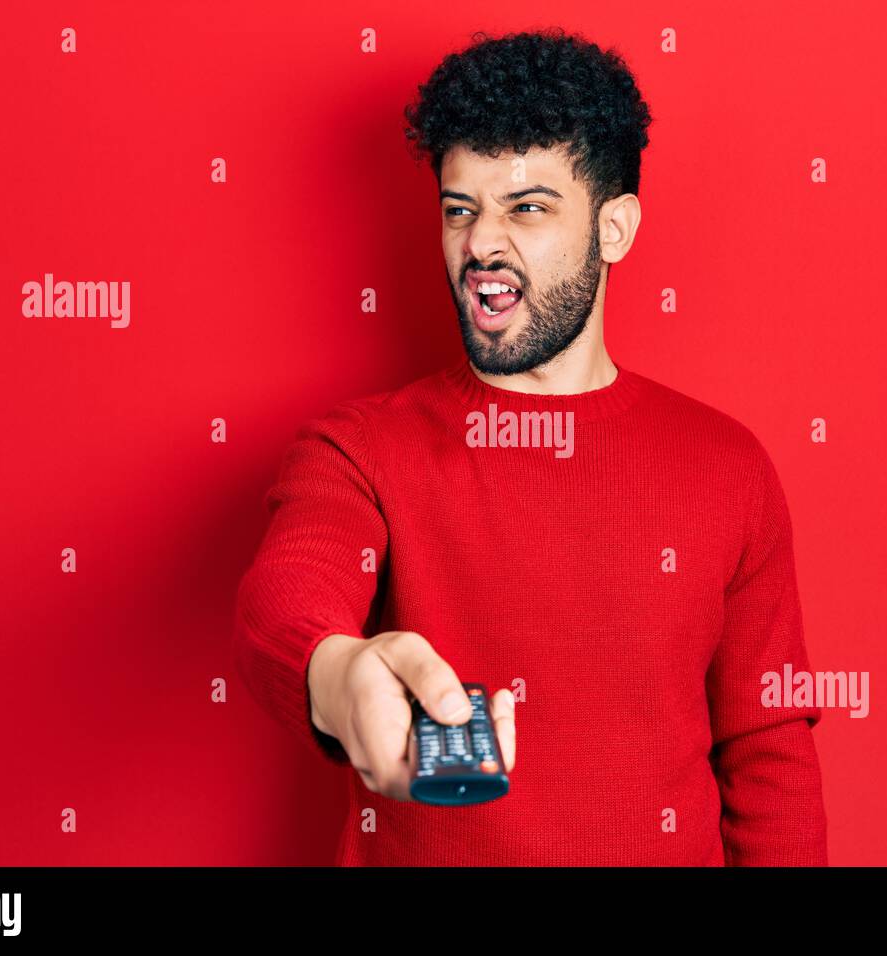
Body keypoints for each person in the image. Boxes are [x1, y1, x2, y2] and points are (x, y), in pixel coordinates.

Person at [234, 27, 828, 866]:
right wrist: (339, 676)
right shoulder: (359, 449)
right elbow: (285, 597)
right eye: (460, 210)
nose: (481, 246)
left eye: (528, 207)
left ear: (614, 228)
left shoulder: (728, 466)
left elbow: (770, 751)